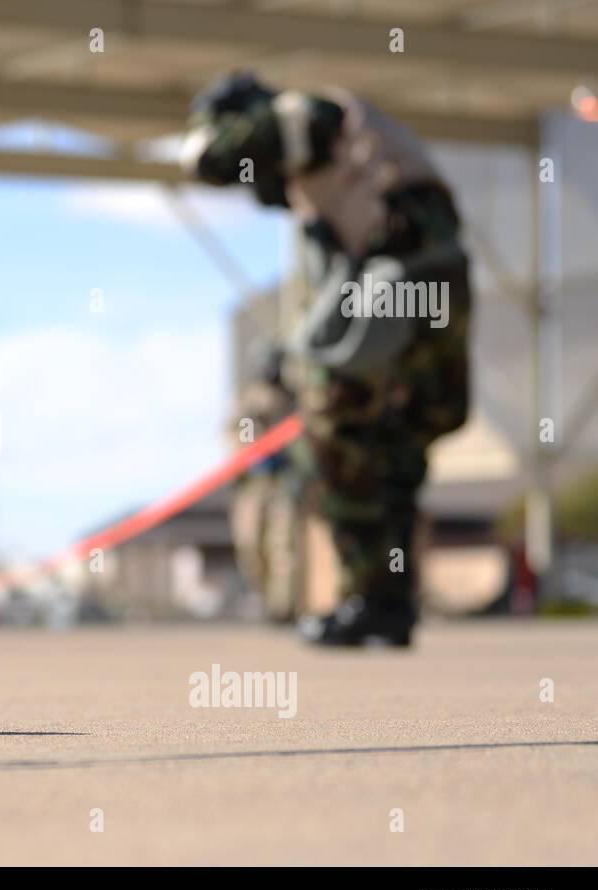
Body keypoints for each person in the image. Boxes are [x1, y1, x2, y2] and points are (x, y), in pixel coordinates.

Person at [181, 72, 471, 646]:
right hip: (437, 280)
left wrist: (204, 138)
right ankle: (386, 603)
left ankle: (373, 597)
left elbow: (210, 159)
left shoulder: (304, 114)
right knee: (396, 444)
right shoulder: (352, 146)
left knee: (337, 430)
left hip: (399, 279)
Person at [229, 343, 299, 623]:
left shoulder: (293, 399)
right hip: (253, 483)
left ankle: (282, 608)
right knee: (250, 544)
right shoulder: (247, 399)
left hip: (283, 481)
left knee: (282, 544)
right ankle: (265, 595)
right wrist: (252, 446)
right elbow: (233, 432)